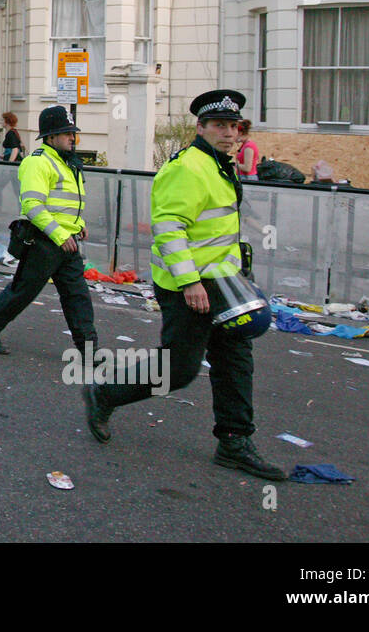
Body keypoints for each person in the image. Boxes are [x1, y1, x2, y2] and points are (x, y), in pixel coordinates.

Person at [82, 90, 286, 481]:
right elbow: (169, 229)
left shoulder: (219, 165)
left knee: (235, 362)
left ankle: (234, 441)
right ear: (201, 127)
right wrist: (191, 282)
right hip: (187, 286)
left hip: (223, 283)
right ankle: (104, 394)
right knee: (179, 369)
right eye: (219, 126)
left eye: (233, 126)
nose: (229, 133)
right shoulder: (188, 167)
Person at [0, 106, 98, 356]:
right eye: (67, 134)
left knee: (78, 298)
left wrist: (78, 225)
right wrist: (60, 234)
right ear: (51, 136)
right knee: (22, 292)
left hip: (66, 242)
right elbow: (32, 205)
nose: (72, 138)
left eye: (73, 133)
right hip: (44, 242)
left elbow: (64, 203)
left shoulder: (66, 163)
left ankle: (89, 349)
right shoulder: (39, 162)